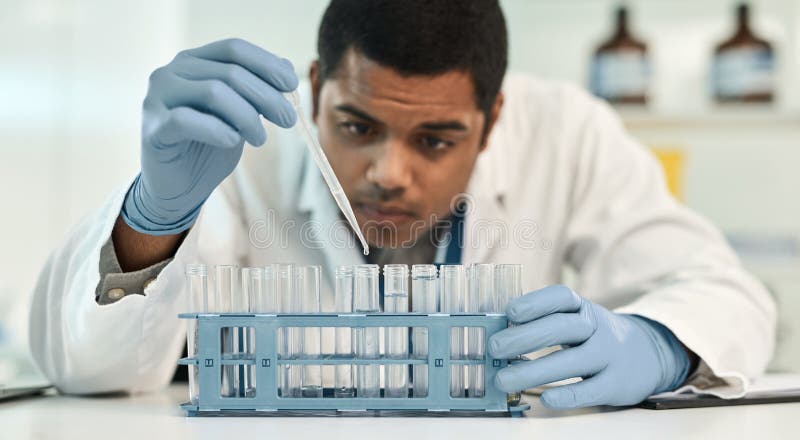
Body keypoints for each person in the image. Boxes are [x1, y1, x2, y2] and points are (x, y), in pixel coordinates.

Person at [29, 0, 775, 409]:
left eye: (437, 139)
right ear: (315, 87)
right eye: (357, 126)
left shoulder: (569, 130)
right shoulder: (242, 132)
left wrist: (657, 343)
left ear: (495, 117)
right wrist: (155, 217)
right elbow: (91, 372)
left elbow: (725, 292)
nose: (389, 174)